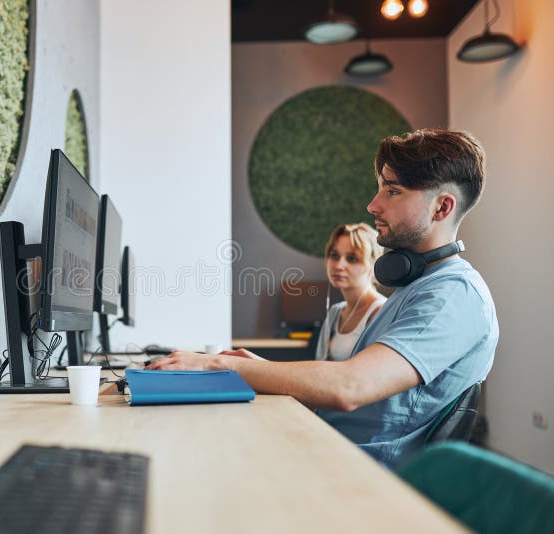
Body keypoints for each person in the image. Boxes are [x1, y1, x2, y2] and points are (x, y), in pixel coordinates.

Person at [147, 129, 499, 469]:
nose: (373, 205)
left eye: (392, 192)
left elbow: (350, 387)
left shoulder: (452, 294)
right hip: (328, 447)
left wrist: (218, 364)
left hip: (362, 473)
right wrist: (259, 368)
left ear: (442, 208)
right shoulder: (416, 288)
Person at [316, 223, 386, 361]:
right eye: (334, 256)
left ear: (373, 264)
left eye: (352, 258)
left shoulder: (382, 312)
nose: (339, 265)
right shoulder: (336, 312)